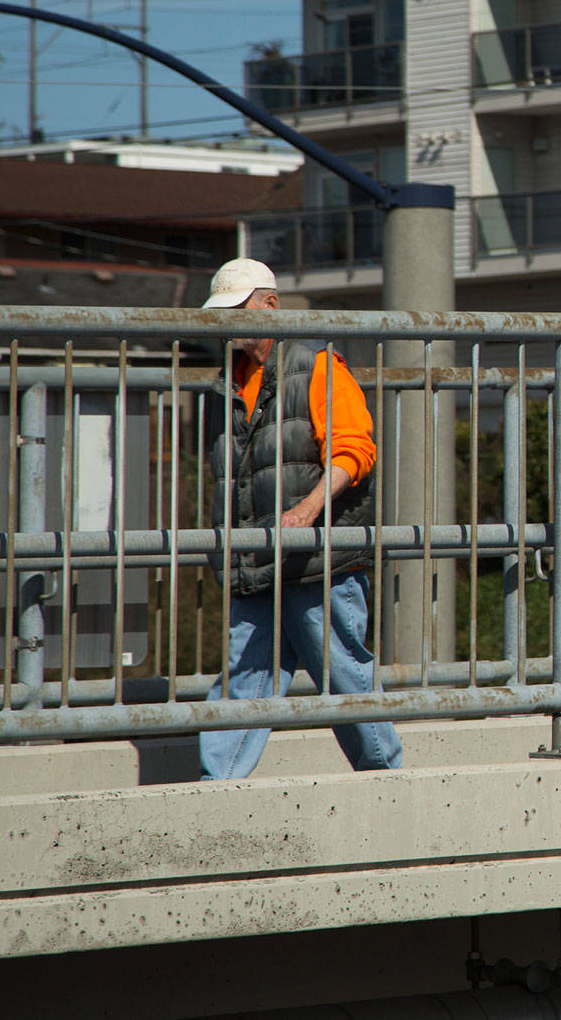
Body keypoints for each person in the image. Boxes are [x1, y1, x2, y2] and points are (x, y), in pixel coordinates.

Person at [197, 258, 402, 779]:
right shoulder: (225, 385)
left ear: (270, 305)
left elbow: (354, 451)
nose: (226, 323)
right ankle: (216, 786)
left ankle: (384, 777)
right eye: (221, 313)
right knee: (244, 675)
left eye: (236, 310)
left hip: (316, 559)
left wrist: (306, 512)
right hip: (256, 557)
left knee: (341, 671)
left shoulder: (318, 366)